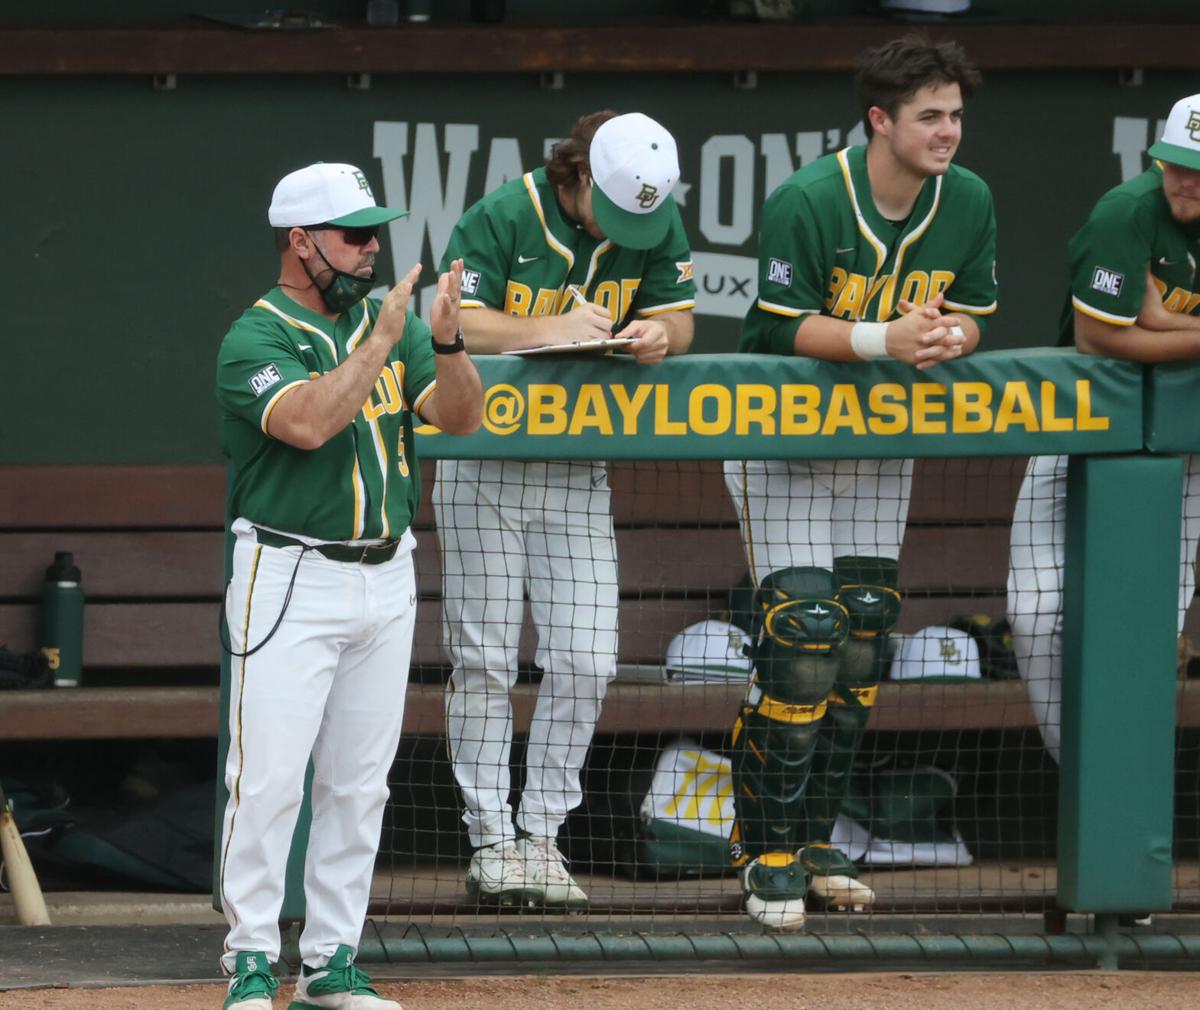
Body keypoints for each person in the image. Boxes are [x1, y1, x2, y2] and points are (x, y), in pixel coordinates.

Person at [722, 35, 997, 929]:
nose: (948, 131)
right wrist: (886, 339)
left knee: (863, 640)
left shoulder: (969, 199)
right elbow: (779, 328)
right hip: (786, 438)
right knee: (803, 639)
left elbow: (972, 313)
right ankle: (765, 848)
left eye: (955, 114)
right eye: (929, 116)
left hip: (881, 443)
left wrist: (950, 336)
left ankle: (813, 841)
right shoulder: (809, 198)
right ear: (879, 119)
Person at [215, 162, 482, 1010]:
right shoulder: (255, 336)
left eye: (375, 234)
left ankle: (331, 962)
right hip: (290, 573)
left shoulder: (391, 325)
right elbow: (307, 422)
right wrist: (384, 337)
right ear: (300, 242)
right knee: (269, 783)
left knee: (360, 784)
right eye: (354, 235)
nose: (371, 249)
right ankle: (251, 960)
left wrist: (446, 341)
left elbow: (461, 416)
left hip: (387, 573)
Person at [434, 110, 695, 908]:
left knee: (586, 658)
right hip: (483, 459)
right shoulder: (504, 214)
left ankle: (542, 837)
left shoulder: (653, 215)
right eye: (609, 208)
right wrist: (550, 325)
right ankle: (491, 840)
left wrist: (658, 334)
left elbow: (681, 317)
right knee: (484, 660)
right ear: (578, 173)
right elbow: (455, 321)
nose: (625, 229)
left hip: (577, 464)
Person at [1008, 94, 1200, 764]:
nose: (1185, 181)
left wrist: (1162, 322)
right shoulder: (1128, 211)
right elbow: (1099, 338)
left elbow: (1143, 329)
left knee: (1151, 621)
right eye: (1178, 163)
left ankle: (1121, 771)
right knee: (1034, 613)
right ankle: (1083, 770)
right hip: (1084, 422)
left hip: (1186, 439)